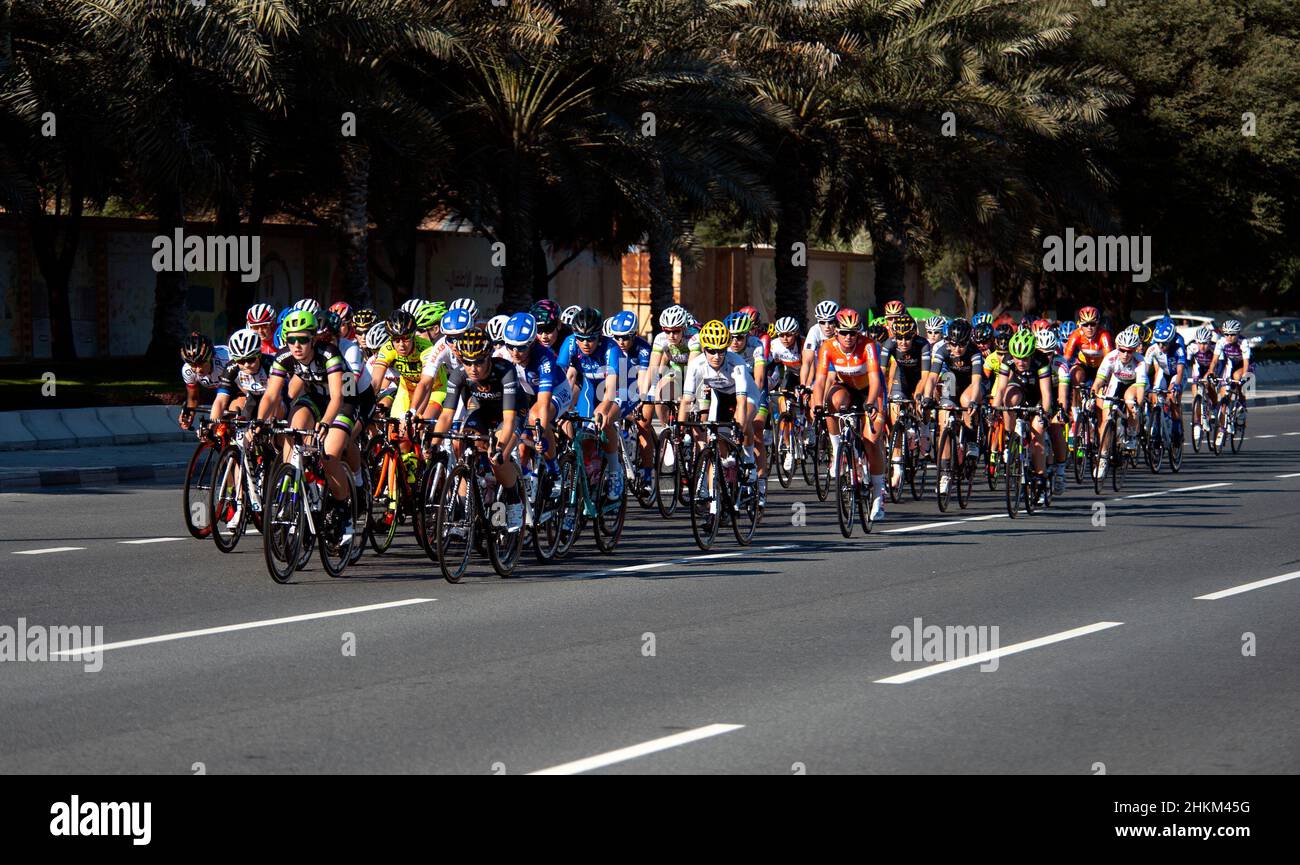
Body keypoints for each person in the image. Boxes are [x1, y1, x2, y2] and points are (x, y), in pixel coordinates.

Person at [257, 308, 356, 542]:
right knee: (294, 428)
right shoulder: (284, 357)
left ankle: (344, 510)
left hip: (342, 402)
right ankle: (293, 485)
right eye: (291, 339)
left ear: (313, 339)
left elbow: (337, 398)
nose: (296, 345)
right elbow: (271, 395)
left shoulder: (329, 354)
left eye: (302, 339)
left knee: (329, 456)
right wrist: (260, 422)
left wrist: (324, 423)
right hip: (314, 399)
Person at [178, 333, 230, 430]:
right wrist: (189, 415)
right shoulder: (187, 370)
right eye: (192, 365)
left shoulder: (226, 360)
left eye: (201, 363)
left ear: (211, 358)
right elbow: (193, 398)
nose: (197, 370)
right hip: (220, 391)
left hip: (237, 387)